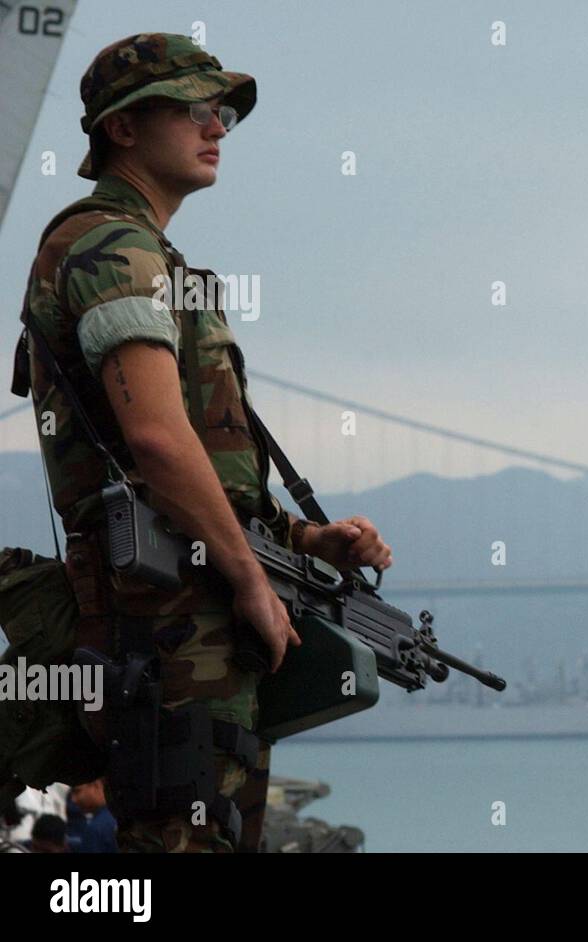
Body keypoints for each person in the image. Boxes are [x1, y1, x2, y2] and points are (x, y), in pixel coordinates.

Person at [18, 33, 393, 852]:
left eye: (220, 111)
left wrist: (300, 540)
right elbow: (154, 440)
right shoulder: (109, 246)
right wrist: (252, 578)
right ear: (122, 127)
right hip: (166, 633)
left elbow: (196, 476)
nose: (217, 125)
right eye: (194, 108)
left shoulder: (155, 258)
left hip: (189, 626)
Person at [67, 779, 118, 853]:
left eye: (77, 791)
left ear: (96, 785)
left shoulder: (96, 828)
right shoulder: (121, 817)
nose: (73, 799)